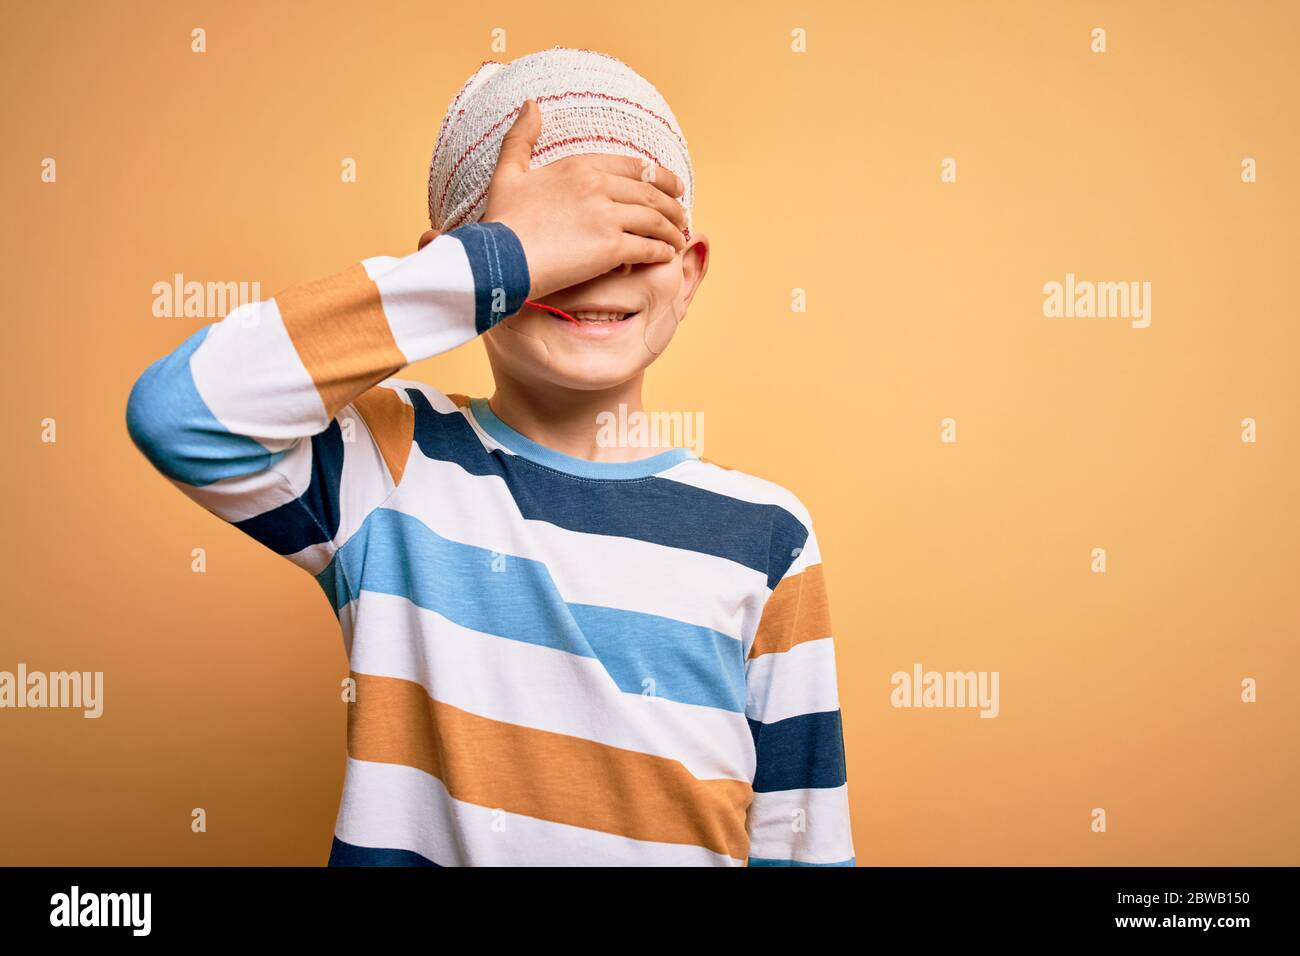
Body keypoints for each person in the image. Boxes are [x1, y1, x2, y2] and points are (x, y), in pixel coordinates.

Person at [126, 46, 854, 867]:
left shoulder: (768, 537)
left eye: (631, 229)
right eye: (558, 239)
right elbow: (180, 412)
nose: (594, 266)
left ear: (687, 277)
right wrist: (497, 259)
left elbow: (803, 840)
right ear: (461, 273)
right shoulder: (388, 467)